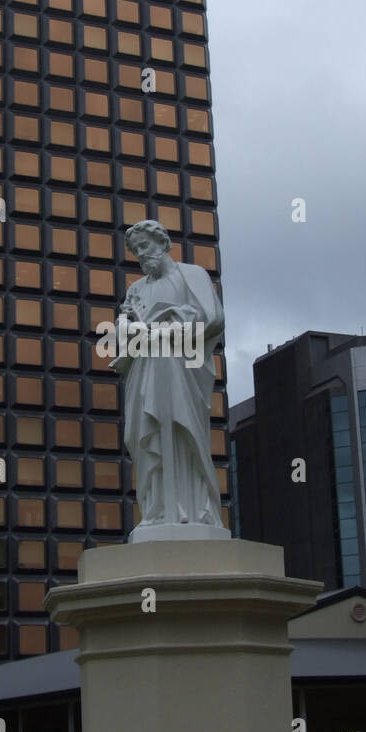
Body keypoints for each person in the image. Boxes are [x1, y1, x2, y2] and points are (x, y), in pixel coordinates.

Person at [110, 220, 226, 538]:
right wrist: (130, 327)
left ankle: (195, 510)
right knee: (142, 436)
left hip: (180, 368)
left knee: (181, 431)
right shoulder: (136, 289)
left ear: (162, 243)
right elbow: (123, 329)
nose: (140, 255)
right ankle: (157, 510)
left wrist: (165, 330)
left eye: (144, 246)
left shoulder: (192, 275)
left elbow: (213, 319)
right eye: (135, 251)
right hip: (145, 369)